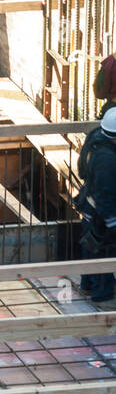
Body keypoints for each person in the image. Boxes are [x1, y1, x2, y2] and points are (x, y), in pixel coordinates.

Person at [76, 109, 116, 302]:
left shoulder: (96, 136)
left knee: (91, 248)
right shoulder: (106, 160)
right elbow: (105, 195)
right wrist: (113, 222)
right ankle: (103, 297)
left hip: (91, 205)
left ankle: (88, 287)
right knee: (104, 251)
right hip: (101, 211)